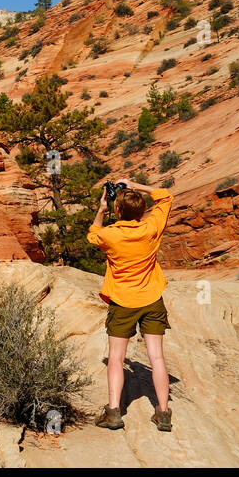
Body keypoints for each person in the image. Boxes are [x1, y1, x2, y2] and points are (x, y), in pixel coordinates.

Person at [86, 177, 174, 432]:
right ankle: (164, 413)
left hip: (123, 301)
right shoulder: (152, 227)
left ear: (117, 210)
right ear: (143, 210)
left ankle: (114, 412)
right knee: (156, 356)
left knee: (116, 357)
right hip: (151, 299)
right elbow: (165, 196)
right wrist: (136, 185)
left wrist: (101, 209)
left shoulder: (110, 235)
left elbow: (93, 234)